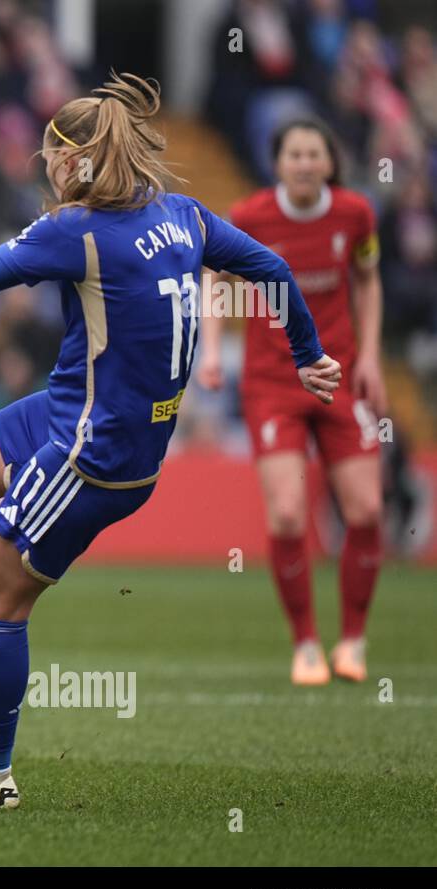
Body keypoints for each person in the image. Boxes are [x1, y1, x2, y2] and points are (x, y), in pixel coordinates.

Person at [0, 73, 342, 813]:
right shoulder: (183, 216)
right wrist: (308, 353)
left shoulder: (77, 232)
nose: (45, 166)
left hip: (93, 455)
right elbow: (271, 270)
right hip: (76, 409)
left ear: (70, 160)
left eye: (50, 154)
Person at [197, 116, 384, 685]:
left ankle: (352, 639)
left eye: (313, 154)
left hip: (338, 377)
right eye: (294, 154)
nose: (304, 163)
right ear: (277, 163)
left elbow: (369, 280)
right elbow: (214, 276)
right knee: (285, 515)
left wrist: (371, 356)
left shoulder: (355, 214)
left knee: (368, 512)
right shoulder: (252, 217)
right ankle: (305, 643)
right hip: (272, 383)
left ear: (329, 161)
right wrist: (211, 349)